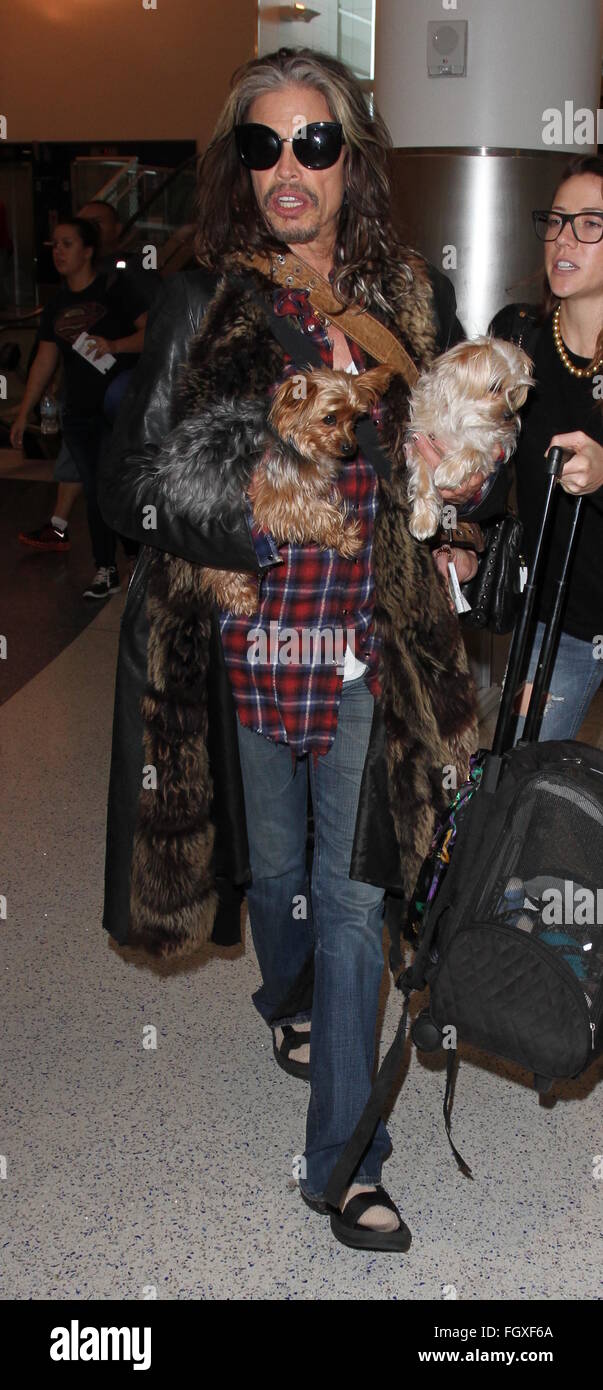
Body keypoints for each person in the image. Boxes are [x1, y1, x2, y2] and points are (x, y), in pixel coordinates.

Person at [99, 47, 490, 1251]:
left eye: (314, 143)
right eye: (263, 144)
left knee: (355, 895)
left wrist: (461, 520)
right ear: (239, 163)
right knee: (277, 877)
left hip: (372, 642)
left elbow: (464, 437)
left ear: (351, 161)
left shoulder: (409, 300)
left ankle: (345, 1162)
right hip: (250, 637)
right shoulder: (201, 297)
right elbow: (127, 485)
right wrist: (258, 521)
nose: (288, 167)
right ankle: (290, 994)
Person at [490, 154, 603, 740]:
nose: (565, 238)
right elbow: (485, 459)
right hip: (558, 618)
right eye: (557, 221)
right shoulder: (518, 336)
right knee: (516, 774)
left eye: (589, 224)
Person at [11, 216, 149, 597]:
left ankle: (133, 557)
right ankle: (107, 568)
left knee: (110, 485)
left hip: (117, 407)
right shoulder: (57, 302)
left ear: (88, 251)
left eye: (67, 244)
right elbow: (44, 358)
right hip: (80, 412)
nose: (58, 252)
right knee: (94, 486)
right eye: (54, 244)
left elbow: (152, 331)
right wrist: (25, 413)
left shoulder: (114, 288)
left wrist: (115, 346)